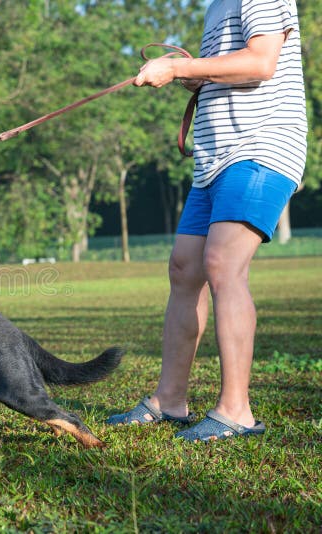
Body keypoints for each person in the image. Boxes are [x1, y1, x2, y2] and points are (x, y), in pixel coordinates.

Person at [107, 0, 307, 441]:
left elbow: (261, 62)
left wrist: (179, 68)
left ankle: (236, 411)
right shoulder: (217, 5)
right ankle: (170, 400)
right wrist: (196, 75)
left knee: (222, 264)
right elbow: (231, 67)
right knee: (185, 268)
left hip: (260, 148)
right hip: (214, 160)